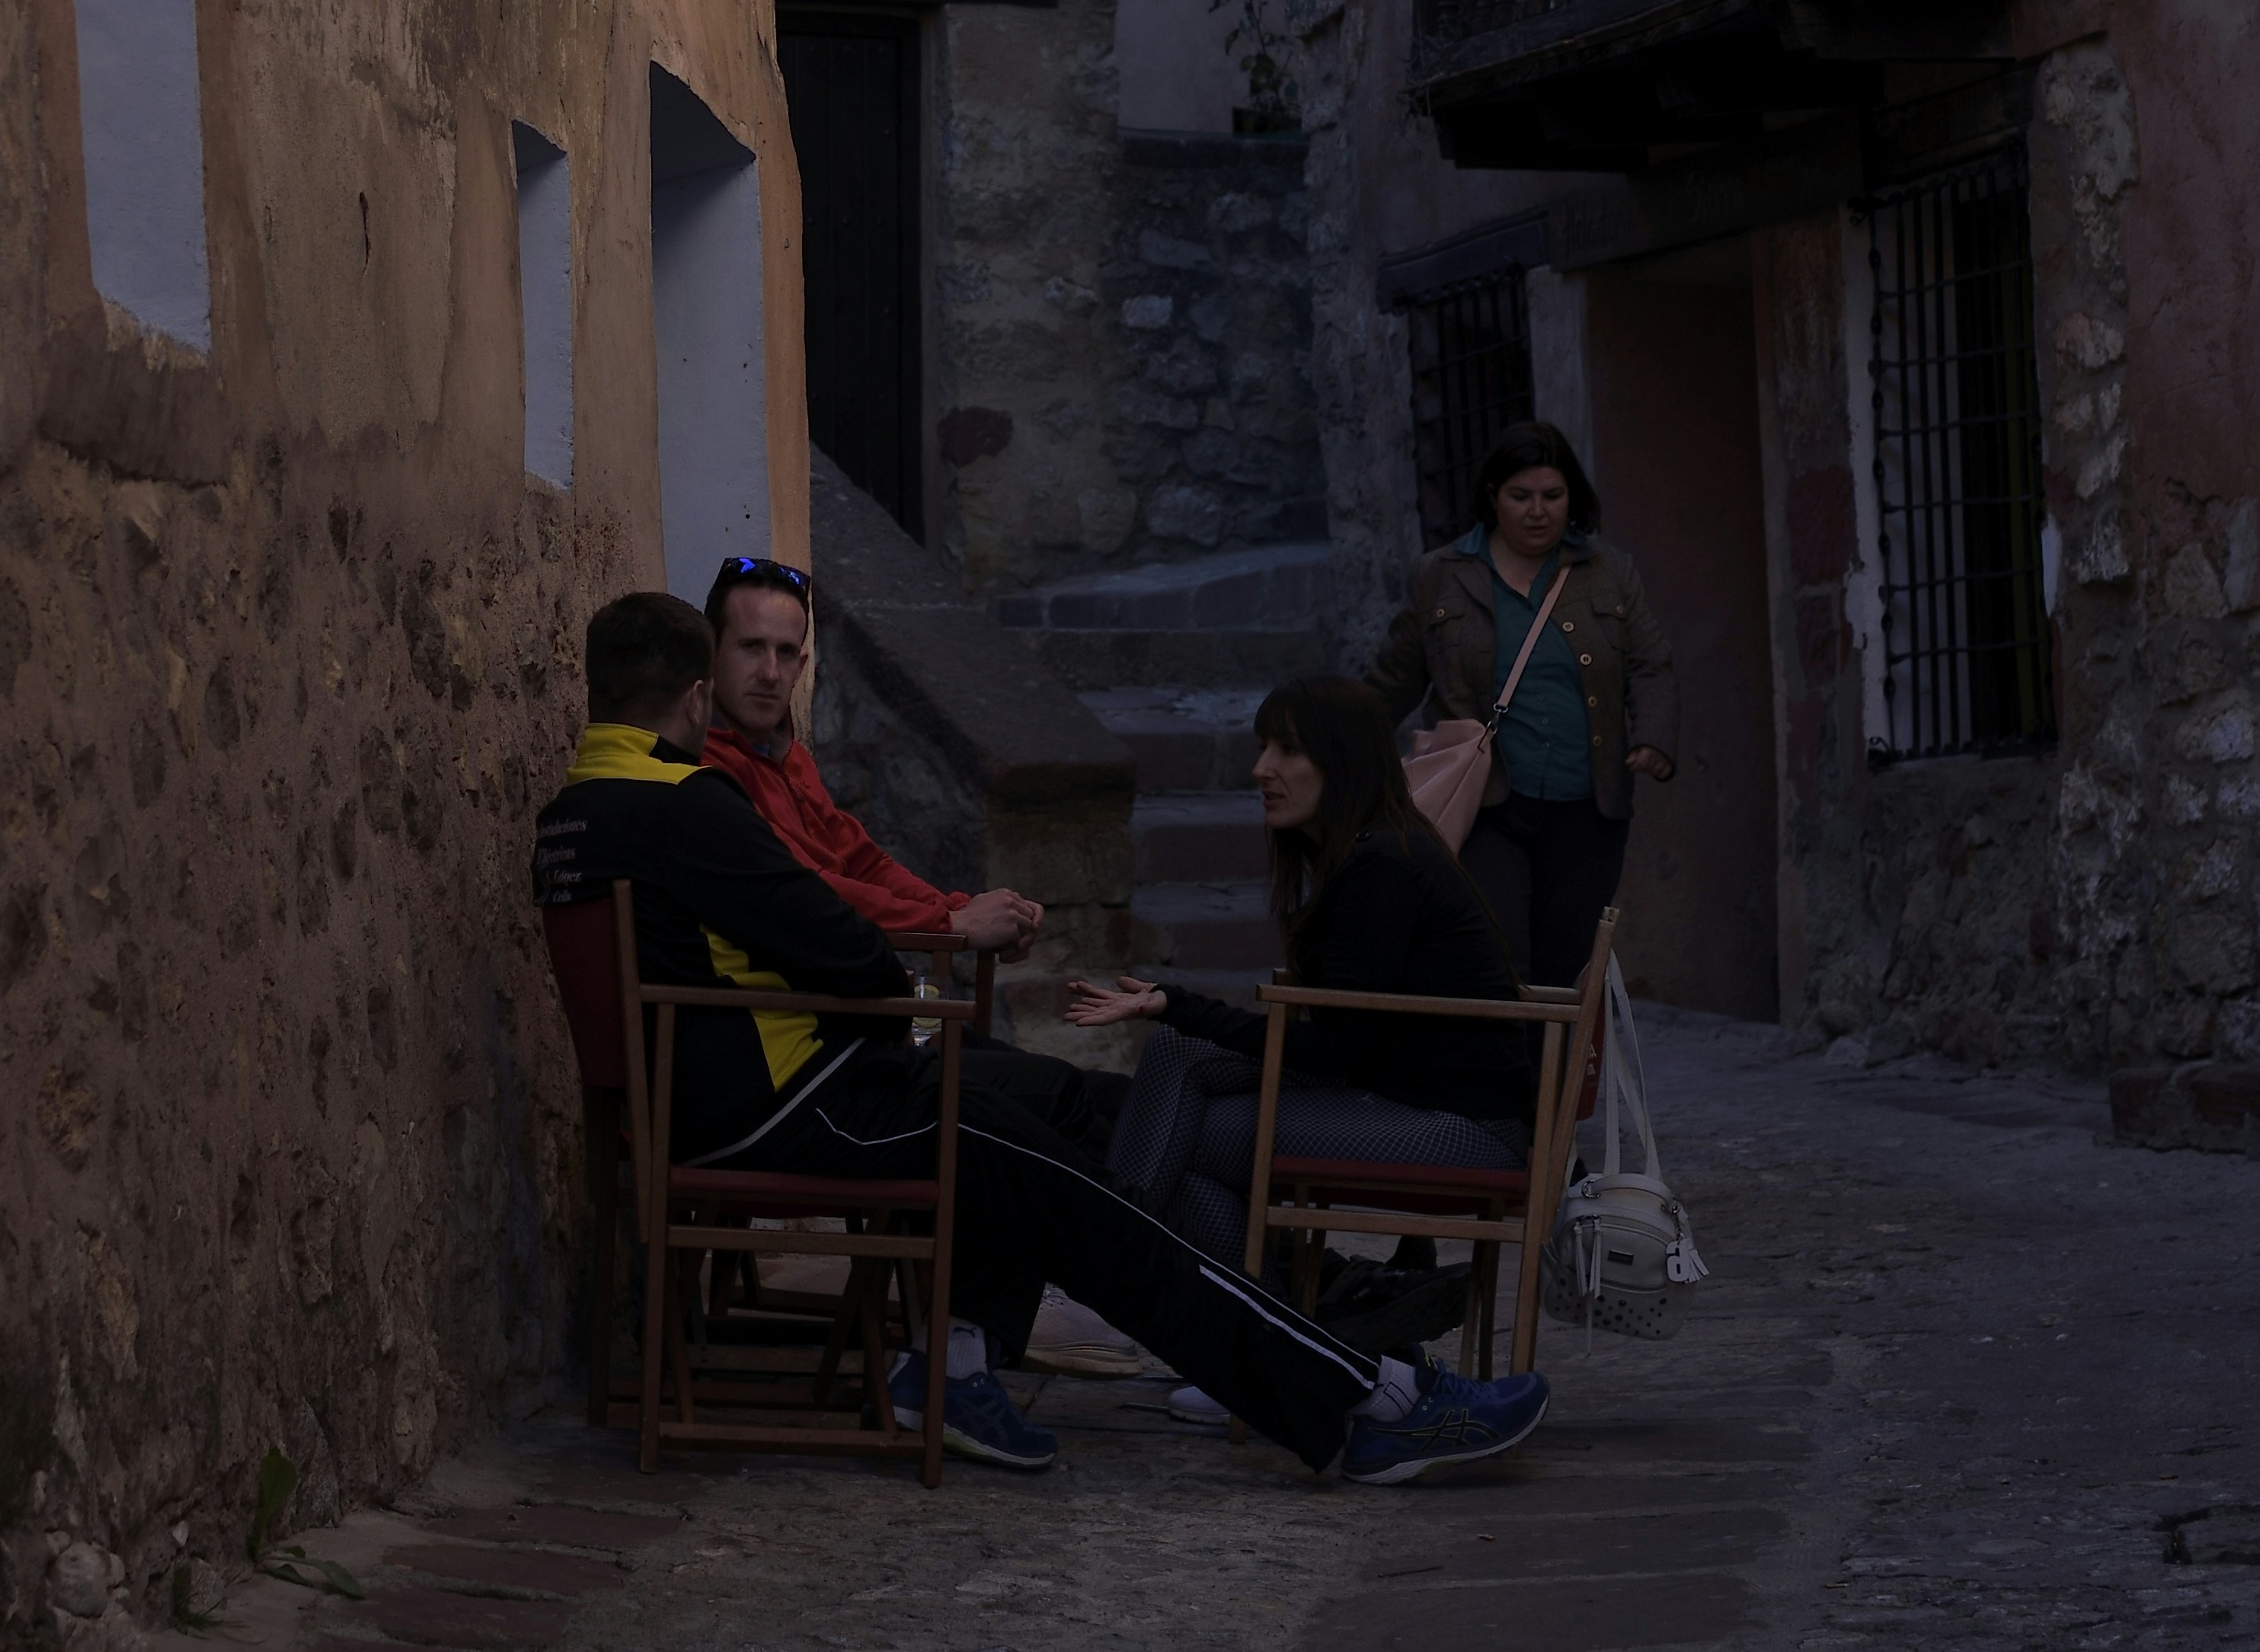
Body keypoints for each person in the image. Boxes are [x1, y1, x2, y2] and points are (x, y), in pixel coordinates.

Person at [534, 588, 1550, 1486]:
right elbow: (842, 947)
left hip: (750, 1101)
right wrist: (878, 978)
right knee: (1083, 1201)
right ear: (696, 696)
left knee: (1043, 1129)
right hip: (799, 1104)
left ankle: (960, 1361)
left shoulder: (574, 810)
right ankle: (1366, 1404)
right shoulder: (687, 802)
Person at [1063, 679, 1534, 1334]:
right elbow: (1347, 1041)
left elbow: (1338, 1052)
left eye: (1287, 750)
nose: (1262, 769)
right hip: (1402, 1091)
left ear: (1341, 762)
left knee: (1185, 1136)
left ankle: (1116, 1284)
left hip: (1464, 1128)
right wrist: (1174, 1011)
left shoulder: (1384, 867)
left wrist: (1179, 1004)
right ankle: (1259, 1339)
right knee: (1176, 1059)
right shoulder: (1369, 851)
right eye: (1263, 748)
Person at [687, 555, 1117, 1159]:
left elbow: (861, 861)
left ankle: (1167, 1210)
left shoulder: (782, 754)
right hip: (814, 1048)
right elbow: (811, 891)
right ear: (710, 655)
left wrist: (961, 911)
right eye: (751, 648)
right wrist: (951, 924)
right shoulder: (707, 773)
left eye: (786, 653)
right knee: (1058, 1100)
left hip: (861, 1023)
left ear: (803, 666)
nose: (769, 672)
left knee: (1098, 1097)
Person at [1370, 421, 1674, 986]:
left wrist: (1653, 736)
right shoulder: (1441, 576)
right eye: (1520, 496)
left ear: (1570, 498)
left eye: (1552, 496)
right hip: (1485, 803)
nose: (1538, 512)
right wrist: (1334, 751)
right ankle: (1507, 1050)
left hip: (1587, 804)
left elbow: (1650, 665)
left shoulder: (1609, 572)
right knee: (1497, 952)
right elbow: (1392, 682)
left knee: (1566, 963)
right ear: (1493, 497)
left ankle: (1551, 1051)